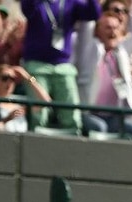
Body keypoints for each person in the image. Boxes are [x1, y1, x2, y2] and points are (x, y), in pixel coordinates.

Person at [20, 0, 101, 130]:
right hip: (37, 65)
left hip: (62, 66)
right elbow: (27, 9)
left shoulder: (71, 2)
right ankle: (34, 144)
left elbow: (93, 13)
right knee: (38, 114)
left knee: (71, 113)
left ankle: (72, 141)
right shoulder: (38, 3)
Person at [74, 12, 132, 139]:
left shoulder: (121, 53)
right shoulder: (90, 51)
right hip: (89, 113)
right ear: (97, 31)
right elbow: (86, 27)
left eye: (116, 28)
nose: (113, 32)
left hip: (114, 116)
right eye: (108, 28)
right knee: (100, 128)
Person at [0, 62, 52, 132]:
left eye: (12, 79)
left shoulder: (20, 102)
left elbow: (46, 101)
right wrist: (8, 118)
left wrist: (27, 77)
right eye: (5, 78)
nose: (9, 82)